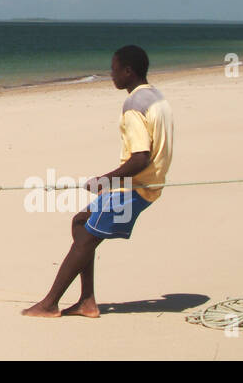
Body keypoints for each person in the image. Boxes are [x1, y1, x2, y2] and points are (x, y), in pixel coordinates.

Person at [23, 45, 173, 318]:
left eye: (114, 69)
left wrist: (104, 180)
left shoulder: (134, 106)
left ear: (128, 71)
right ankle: (86, 301)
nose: (111, 74)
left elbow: (140, 157)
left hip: (135, 188)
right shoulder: (156, 96)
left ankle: (49, 303)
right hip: (146, 184)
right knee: (81, 224)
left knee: (87, 239)